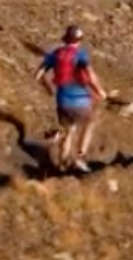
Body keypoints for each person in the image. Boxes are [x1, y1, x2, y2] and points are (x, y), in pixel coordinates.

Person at [36, 26, 107, 172]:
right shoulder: (80, 55)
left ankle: (62, 165)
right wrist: (100, 91)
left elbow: (38, 74)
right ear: (79, 40)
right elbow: (90, 75)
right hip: (80, 101)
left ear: (66, 38)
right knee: (90, 123)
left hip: (62, 101)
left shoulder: (56, 54)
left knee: (69, 131)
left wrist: (48, 87)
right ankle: (79, 157)